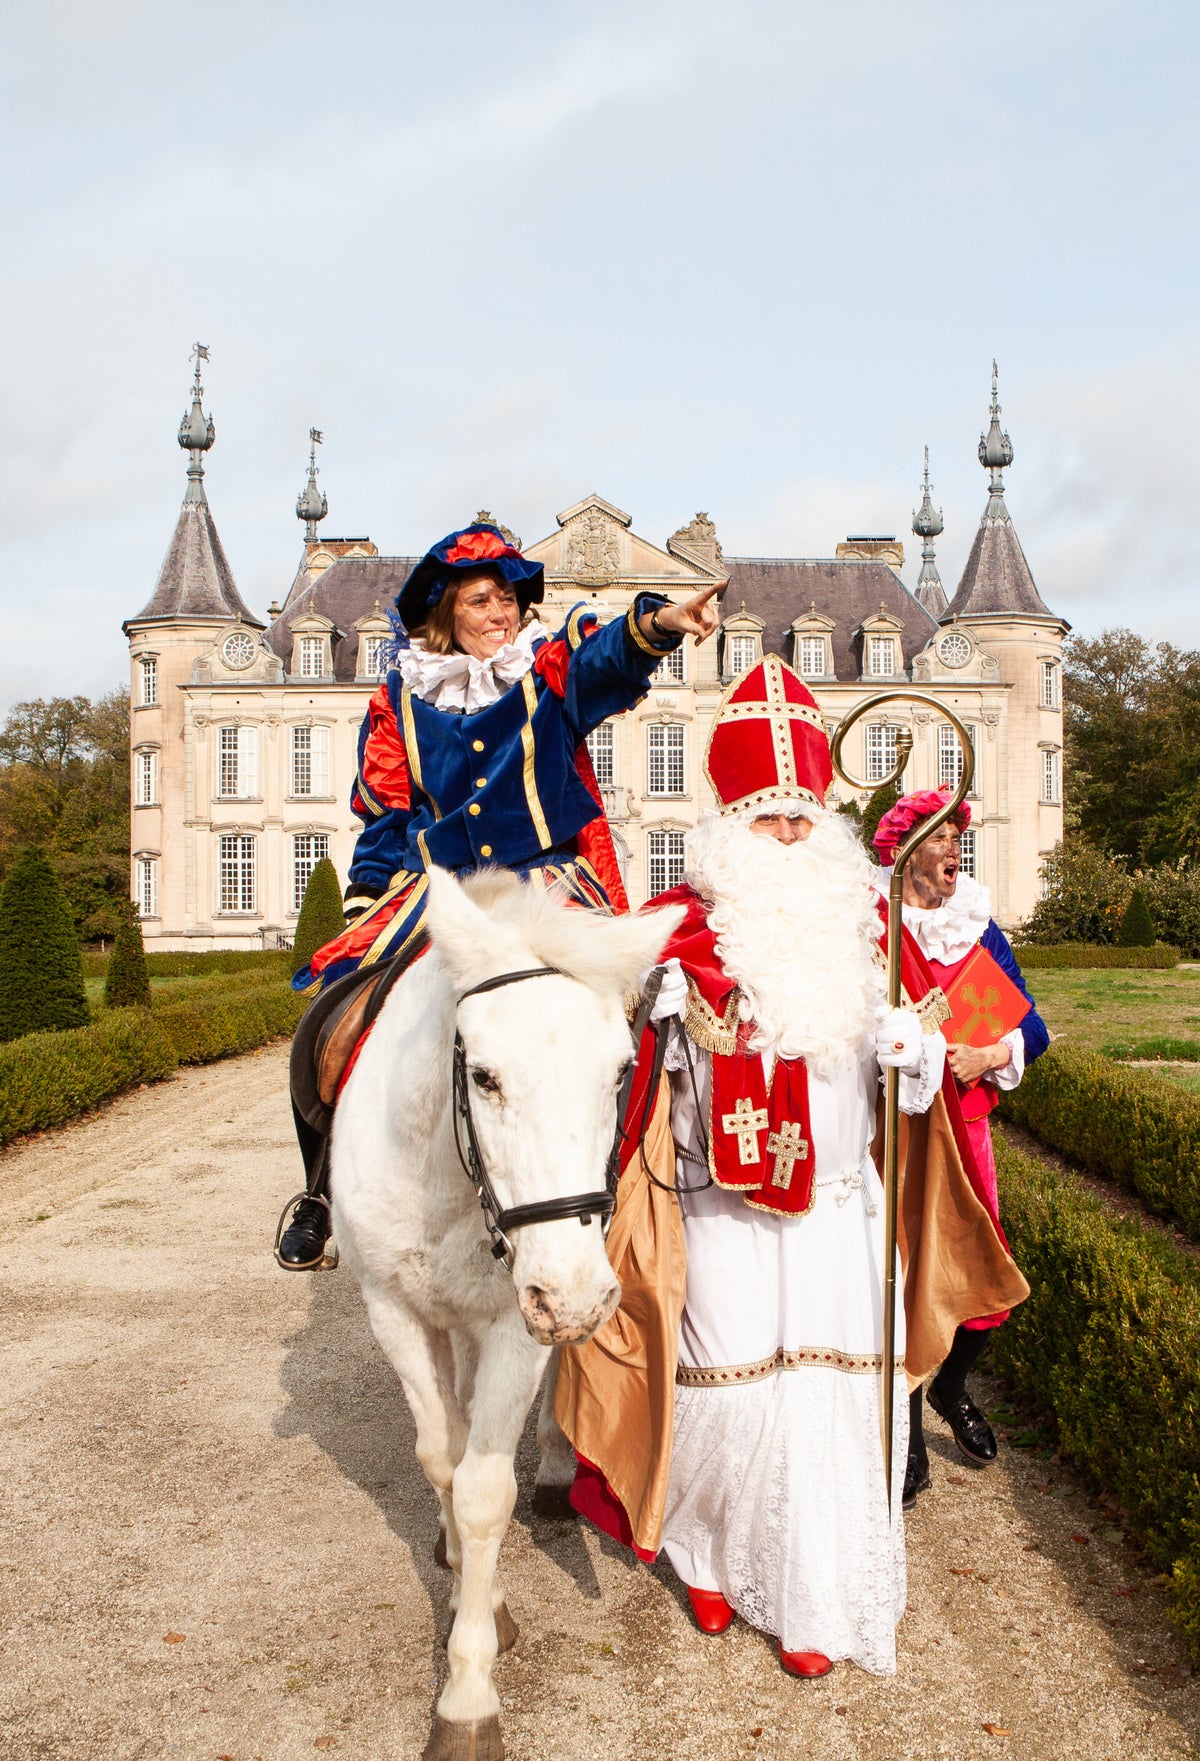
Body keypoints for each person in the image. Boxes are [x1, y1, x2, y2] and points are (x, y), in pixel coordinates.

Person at [554, 658, 1030, 1678]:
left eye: (800, 816)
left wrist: (917, 1058)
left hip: (839, 1209)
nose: (785, 835)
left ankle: (812, 1594)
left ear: (826, 821)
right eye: (765, 818)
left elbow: (936, 1067)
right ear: (731, 823)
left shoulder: (872, 922)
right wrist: (662, 1028)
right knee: (725, 1382)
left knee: (828, 1391)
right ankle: (710, 1552)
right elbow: (609, 1068)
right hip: (720, 1203)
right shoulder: (682, 927)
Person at [276, 520, 721, 1267]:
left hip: (544, 881)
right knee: (333, 1022)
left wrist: (658, 624)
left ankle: (642, 1183)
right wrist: (367, 909)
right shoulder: (400, 697)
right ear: (447, 612)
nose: (500, 613)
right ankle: (319, 1193)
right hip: (440, 891)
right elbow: (386, 815)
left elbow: (603, 654)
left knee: (631, 1019)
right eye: (481, 600)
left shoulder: (545, 668)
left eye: (508, 598)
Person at [872, 791, 1048, 1508]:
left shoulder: (977, 927)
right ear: (906, 849)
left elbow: (1031, 1024)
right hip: (894, 1132)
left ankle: (949, 1385)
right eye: (941, 837)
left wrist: (991, 1050)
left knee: (985, 1274)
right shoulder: (876, 930)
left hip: (965, 1125)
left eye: (958, 837)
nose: (955, 849)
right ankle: (908, 1435)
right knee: (904, 1276)